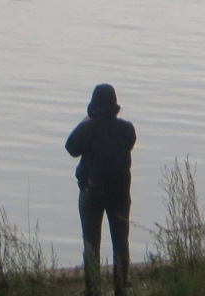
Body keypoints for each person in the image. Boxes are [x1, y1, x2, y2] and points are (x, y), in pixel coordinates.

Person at [65, 83, 136, 296]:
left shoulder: (88, 128)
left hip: (92, 192)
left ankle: (93, 288)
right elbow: (129, 144)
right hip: (120, 193)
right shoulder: (126, 129)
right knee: (121, 240)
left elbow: (71, 148)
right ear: (114, 104)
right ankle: (121, 287)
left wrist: (85, 122)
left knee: (91, 241)